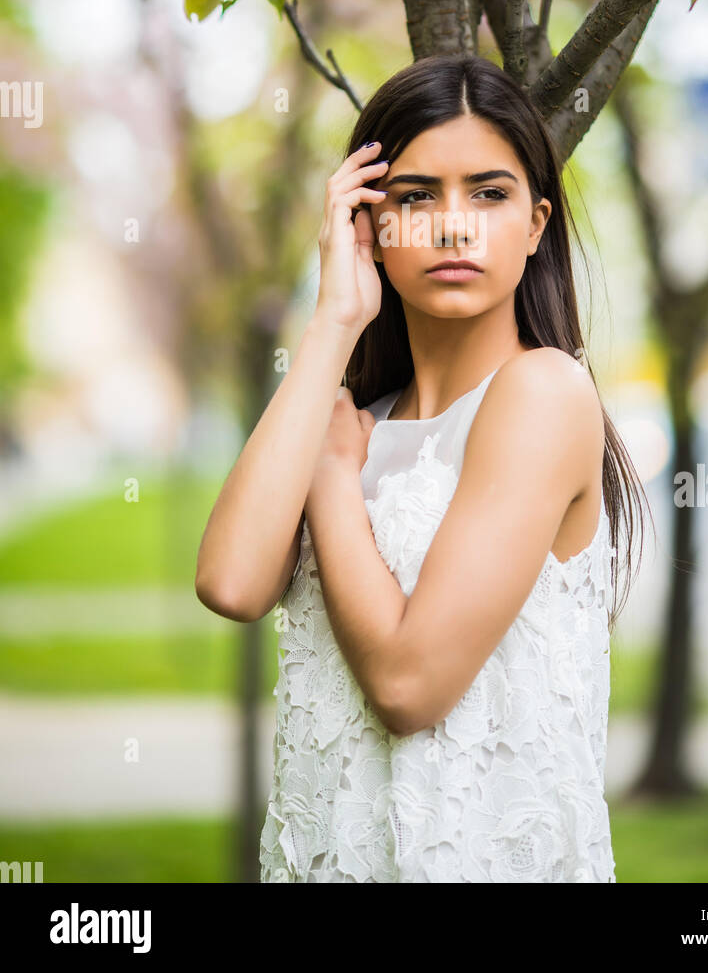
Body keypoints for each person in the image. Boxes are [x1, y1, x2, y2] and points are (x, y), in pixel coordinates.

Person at [196, 54, 651, 882]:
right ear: (368, 224)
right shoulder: (347, 423)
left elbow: (410, 688)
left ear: (537, 224)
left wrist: (334, 484)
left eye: (489, 193)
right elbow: (230, 584)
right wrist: (334, 318)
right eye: (414, 198)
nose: (452, 226)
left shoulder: (543, 393)